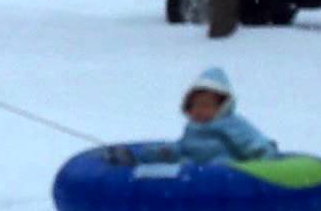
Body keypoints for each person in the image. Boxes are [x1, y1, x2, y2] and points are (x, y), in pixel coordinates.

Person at [106, 67, 277, 165]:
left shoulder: (232, 124)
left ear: (221, 106)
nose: (198, 111)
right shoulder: (192, 127)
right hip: (194, 166)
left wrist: (264, 159)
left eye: (205, 105)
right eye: (194, 106)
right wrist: (166, 152)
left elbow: (253, 142)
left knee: (218, 165)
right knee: (170, 155)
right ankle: (132, 159)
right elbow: (186, 146)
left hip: (224, 168)